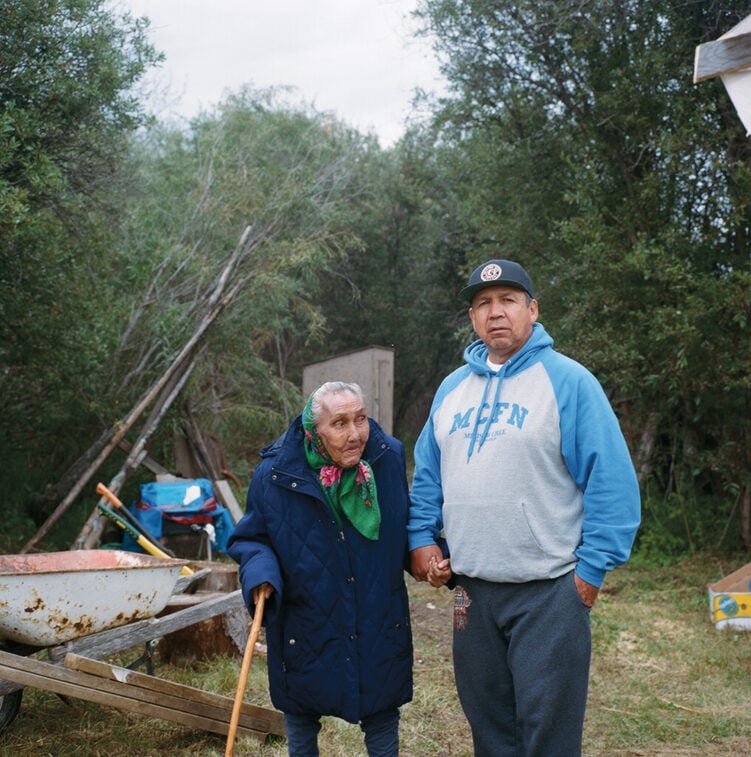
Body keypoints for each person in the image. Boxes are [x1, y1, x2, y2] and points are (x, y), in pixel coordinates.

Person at [407, 259, 641, 756]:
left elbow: (612, 483)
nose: (496, 313)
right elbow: (427, 476)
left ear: (532, 311)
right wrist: (422, 541)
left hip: (550, 592)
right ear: (472, 319)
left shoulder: (569, 382)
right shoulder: (452, 390)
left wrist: (591, 572)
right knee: (490, 732)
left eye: (508, 301)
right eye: (483, 304)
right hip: (473, 593)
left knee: (547, 738)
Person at [228, 381, 413, 757]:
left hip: (376, 611)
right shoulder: (275, 474)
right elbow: (250, 538)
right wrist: (261, 573)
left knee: (381, 714)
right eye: (340, 424)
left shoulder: (386, 458)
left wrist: (430, 554)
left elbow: (405, 526)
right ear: (314, 431)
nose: (355, 434)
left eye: (360, 419)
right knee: (300, 711)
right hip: (305, 615)